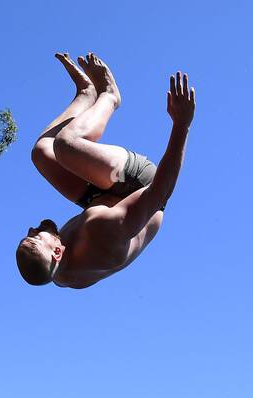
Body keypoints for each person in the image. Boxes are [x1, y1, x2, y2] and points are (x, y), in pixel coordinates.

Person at [18, 52, 195, 289]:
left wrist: (42, 236)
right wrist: (181, 124)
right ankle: (110, 96)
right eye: (36, 236)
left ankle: (85, 93)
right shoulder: (103, 235)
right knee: (65, 146)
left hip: (99, 199)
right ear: (57, 252)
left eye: (28, 234)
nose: (32, 228)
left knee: (41, 152)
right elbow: (160, 192)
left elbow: (42, 264)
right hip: (143, 187)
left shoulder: (57, 274)